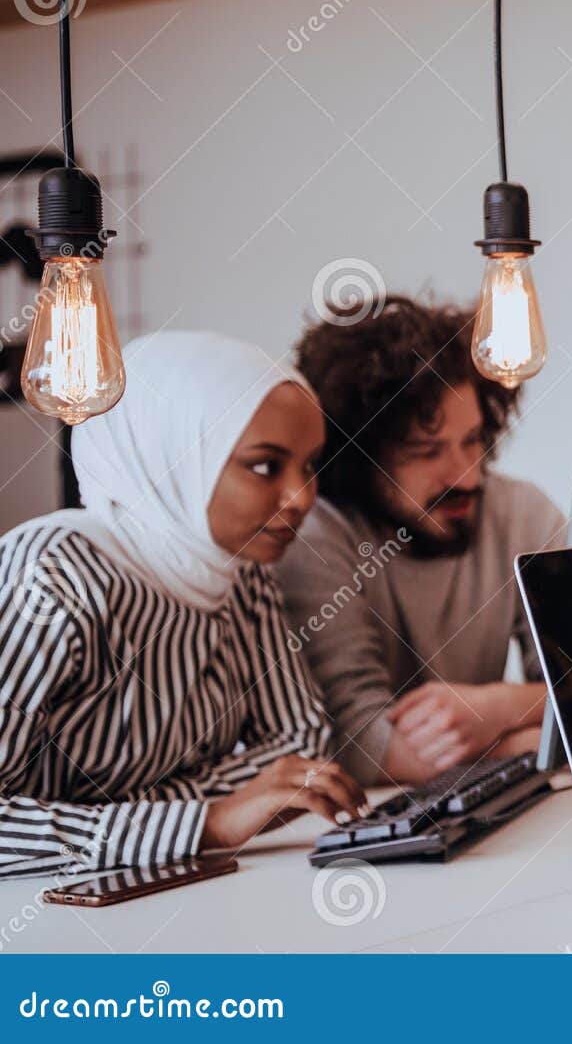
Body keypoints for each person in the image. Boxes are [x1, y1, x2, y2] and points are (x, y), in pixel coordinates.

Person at [0, 331, 364, 878]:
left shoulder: (239, 569)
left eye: (310, 466)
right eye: (266, 466)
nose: (302, 498)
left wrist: (155, 821)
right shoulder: (51, 575)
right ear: (170, 456)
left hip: (149, 885)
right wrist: (205, 822)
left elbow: (299, 744)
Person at [277, 297, 566, 787]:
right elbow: (365, 749)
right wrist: (533, 732)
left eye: (472, 440)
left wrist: (498, 708)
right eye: (428, 451)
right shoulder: (315, 538)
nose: (467, 475)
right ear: (360, 456)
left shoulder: (520, 512)